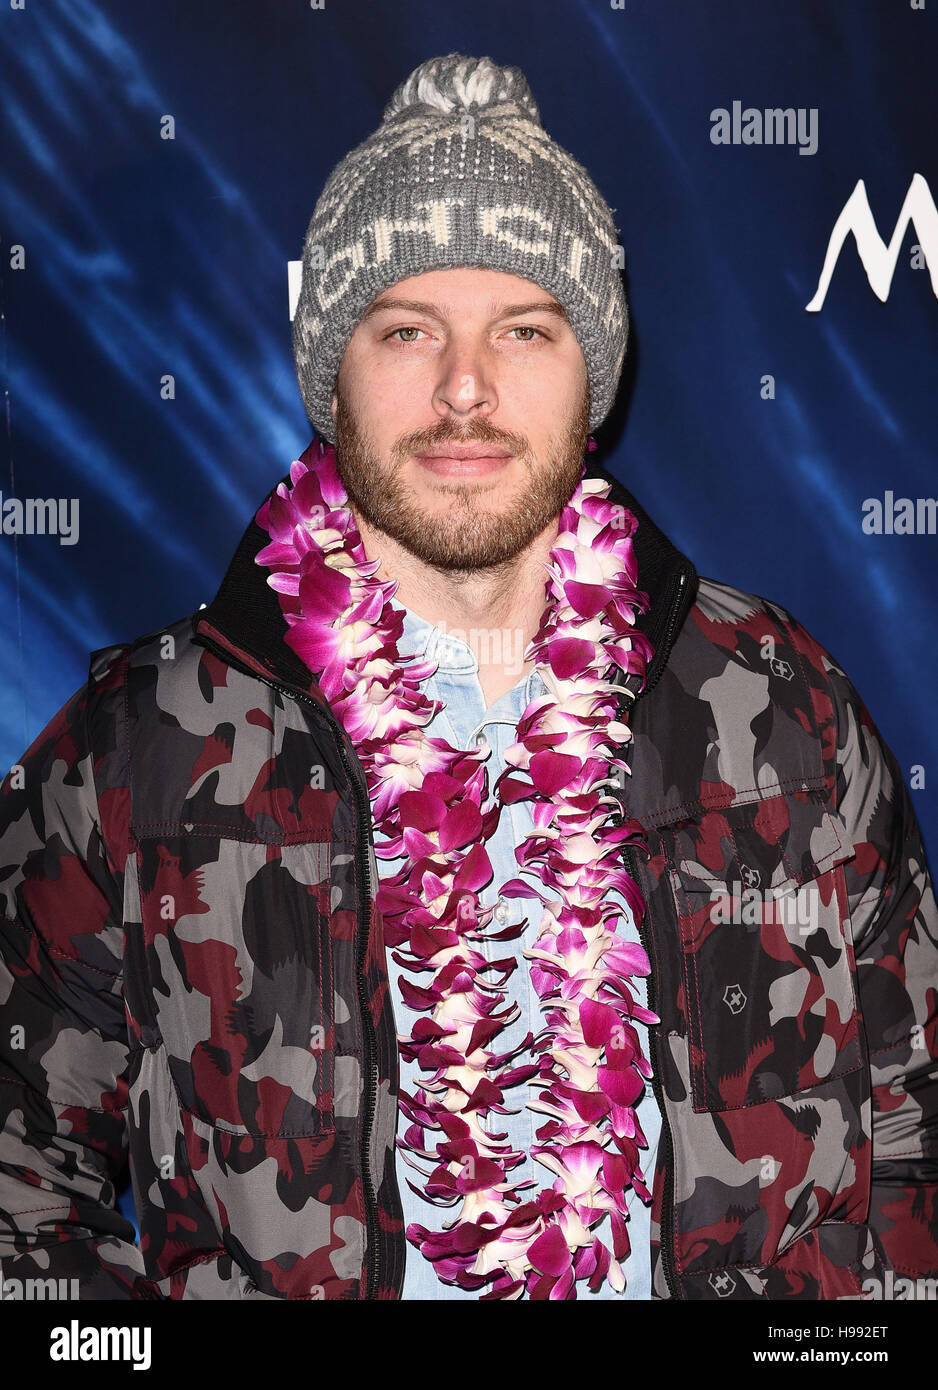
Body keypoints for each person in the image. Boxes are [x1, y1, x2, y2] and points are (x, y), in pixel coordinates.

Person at [1, 51, 935, 1303]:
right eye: (405, 330)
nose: (464, 388)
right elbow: (20, 1170)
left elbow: (912, 1119)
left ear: (588, 380)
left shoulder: (781, 706)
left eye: (523, 330)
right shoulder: (139, 744)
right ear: (332, 375)